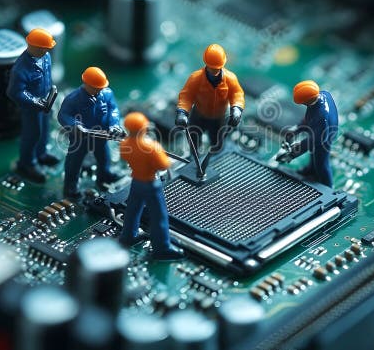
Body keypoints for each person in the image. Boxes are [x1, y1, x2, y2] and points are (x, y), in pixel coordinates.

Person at [118, 112, 183, 261]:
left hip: (136, 182)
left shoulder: (125, 144)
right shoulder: (151, 146)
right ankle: (162, 248)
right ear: (144, 128)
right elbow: (163, 164)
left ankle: (128, 237)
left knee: (132, 211)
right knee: (158, 216)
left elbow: (124, 158)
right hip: (150, 183)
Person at [57, 67, 122, 200]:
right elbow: (63, 115)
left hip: (102, 134)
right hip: (81, 137)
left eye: (101, 87)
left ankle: (104, 176)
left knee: (104, 157)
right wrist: (75, 126)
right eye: (96, 87)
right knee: (74, 162)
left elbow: (113, 109)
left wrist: (114, 125)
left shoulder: (107, 93)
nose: (99, 90)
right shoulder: (73, 98)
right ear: (86, 84)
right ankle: (70, 186)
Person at [6, 28, 60, 183]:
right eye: (44, 48)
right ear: (34, 47)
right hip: (31, 108)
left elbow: (48, 78)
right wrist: (34, 101)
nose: (47, 50)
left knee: (45, 130)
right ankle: (27, 163)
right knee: (32, 134)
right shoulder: (21, 68)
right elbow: (15, 92)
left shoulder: (46, 57)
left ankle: (41, 154)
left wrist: (50, 96)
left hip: (45, 103)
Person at [175, 43, 245, 152]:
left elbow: (237, 94)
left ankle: (216, 159)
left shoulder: (230, 78)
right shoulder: (196, 78)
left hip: (218, 118)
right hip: (198, 116)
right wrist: (182, 112)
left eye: (217, 68)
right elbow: (186, 96)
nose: (214, 71)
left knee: (217, 142)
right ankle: (194, 155)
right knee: (194, 139)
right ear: (206, 64)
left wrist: (236, 109)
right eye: (212, 68)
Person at [290, 80, 338, 187]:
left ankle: (327, 186)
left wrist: (297, 149)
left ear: (309, 100)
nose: (302, 104)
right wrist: (297, 129)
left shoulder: (322, 116)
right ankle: (311, 170)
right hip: (320, 130)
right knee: (313, 154)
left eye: (302, 102)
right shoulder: (323, 94)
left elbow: (318, 139)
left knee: (321, 163)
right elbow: (309, 119)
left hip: (325, 138)